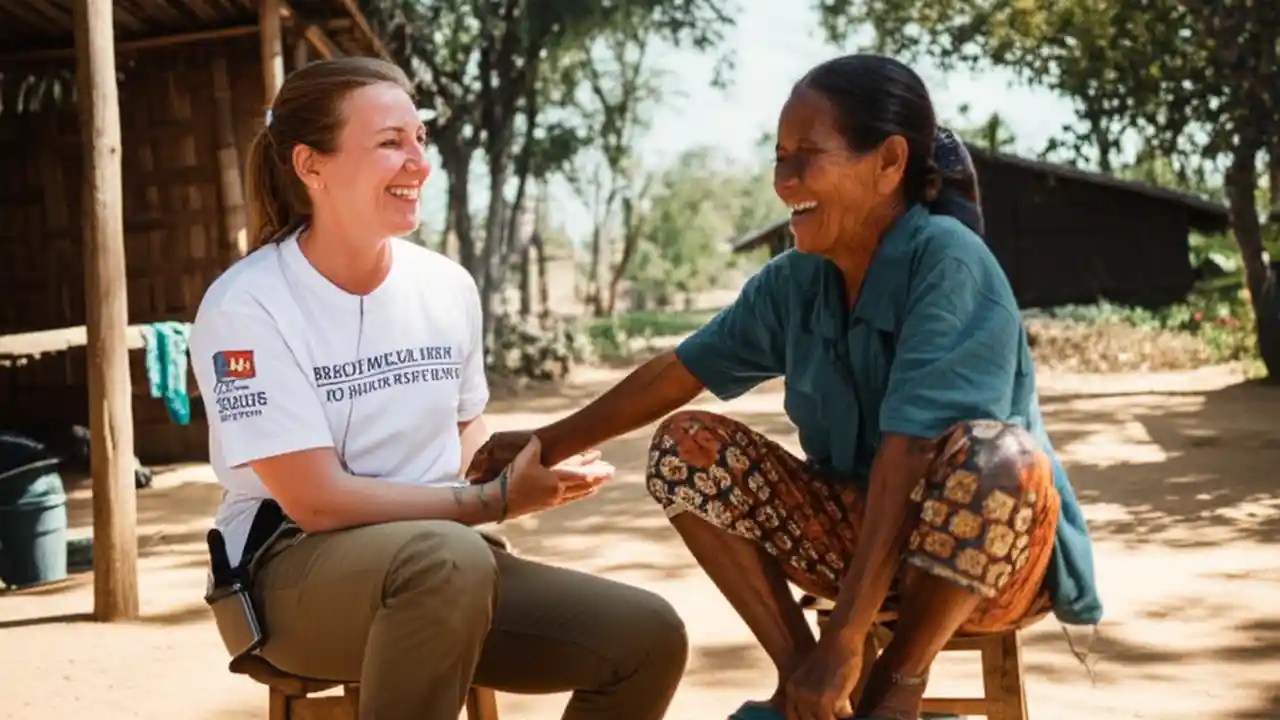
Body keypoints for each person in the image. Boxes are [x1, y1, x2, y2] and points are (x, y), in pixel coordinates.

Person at [468, 55, 1103, 720]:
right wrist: (543, 443)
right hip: (856, 536)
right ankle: (804, 687)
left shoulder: (947, 263)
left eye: (806, 155)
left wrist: (847, 640)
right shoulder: (798, 279)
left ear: (888, 162)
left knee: (1002, 458)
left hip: (983, 561)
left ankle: (893, 690)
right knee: (688, 446)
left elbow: (907, 456)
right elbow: (679, 372)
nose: (785, 180)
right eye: (778, 158)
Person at [189, 57, 688, 720]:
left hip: (448, 568)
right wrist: (489, 503)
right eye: (390, 142)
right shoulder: (246, 307)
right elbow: (316, 504)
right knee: (447, 558)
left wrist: (517, 469)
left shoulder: (445, 286)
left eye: (419, 139)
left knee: (646, 638)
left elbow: (463, 437)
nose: (418, 163)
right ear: (311, 165)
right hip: (289, 578)